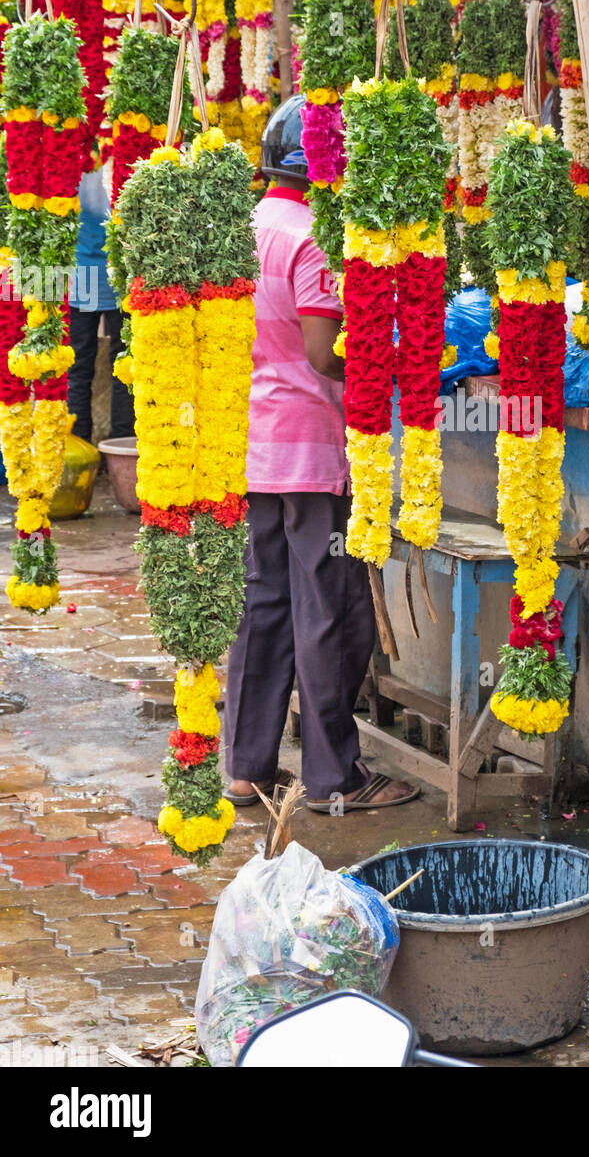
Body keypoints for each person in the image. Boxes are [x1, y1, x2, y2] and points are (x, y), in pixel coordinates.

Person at [224, 95, 418, 812]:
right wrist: (390, 358)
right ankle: (336, 778)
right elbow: (321, 350)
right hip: (311, 452)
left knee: (265, 602)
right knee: (329, 610)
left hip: (253, 448)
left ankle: (245, 768)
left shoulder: (245, 226)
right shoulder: (312, 237)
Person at [67, 168, 135, 442]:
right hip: (116, 276)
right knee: (123, 364)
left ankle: (80, 446)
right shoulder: (123, 150)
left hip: (85, 277)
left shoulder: (74, 154)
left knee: (80, 366)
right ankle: (119, 444)